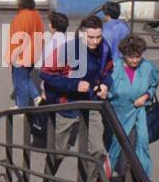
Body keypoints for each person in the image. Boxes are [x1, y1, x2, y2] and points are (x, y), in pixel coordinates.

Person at [39, 14, 112, 171]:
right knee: (58, 152)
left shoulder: (104, 48)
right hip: (67, 106)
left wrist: (106, 84)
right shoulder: (68, 49)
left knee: (97, 151)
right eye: (91, 37)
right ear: (82, 34)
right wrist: (74, 85)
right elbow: (46, 73)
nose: (95, 41)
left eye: (98, 37)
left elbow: (107, 71)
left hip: (91, 104)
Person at [106, 35, 159, 181]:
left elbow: (153, 86)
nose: (135, 60)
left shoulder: (148, 68)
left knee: (136, 146)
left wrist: (145, 97)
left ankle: (132, 181)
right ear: (124, 55)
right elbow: (106, 89)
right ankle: (104, 180)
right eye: (131, 57)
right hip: (117, 114)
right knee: (115, 148)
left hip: (138, 114)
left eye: (138, 56)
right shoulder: (114, 68)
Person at [8, 0, 45, 110]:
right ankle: (35, 97)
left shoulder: (20, 18)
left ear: (21, 1)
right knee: (24, 78)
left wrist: (12, 57)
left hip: (22, 56)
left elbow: (17, 40)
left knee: (20, 81)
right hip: (34, 53)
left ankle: (22, 107)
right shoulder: (36, 14)